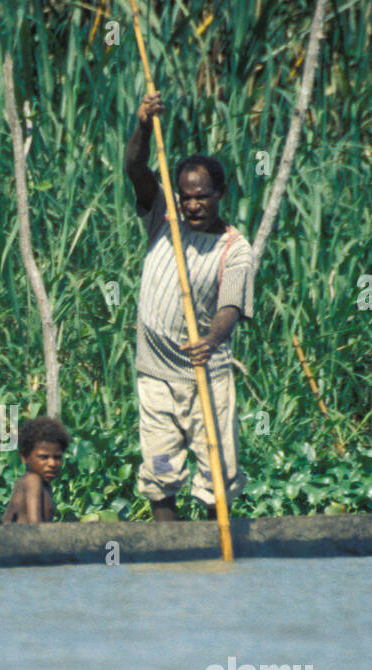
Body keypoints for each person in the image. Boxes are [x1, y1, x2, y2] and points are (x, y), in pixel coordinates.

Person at [124, 90, 254, 521]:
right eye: (186, 196)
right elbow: (135, 168)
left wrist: (211, 340)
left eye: (202, 196)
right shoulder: (165, 216)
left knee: (217, 469)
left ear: (220, 194)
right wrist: (144, 125)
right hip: (155, 373)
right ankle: (168, 549)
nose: (193, 204)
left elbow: (230, 307)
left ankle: (217, 566)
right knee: (160, 467)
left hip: (205, 373)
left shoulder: (235, 249)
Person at [2, 417, 69, 523]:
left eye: (57, 457)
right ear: (24, 457)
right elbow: (35, 525)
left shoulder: (44, 485)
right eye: (44, 457)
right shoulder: (33, 480)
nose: (52, 463)